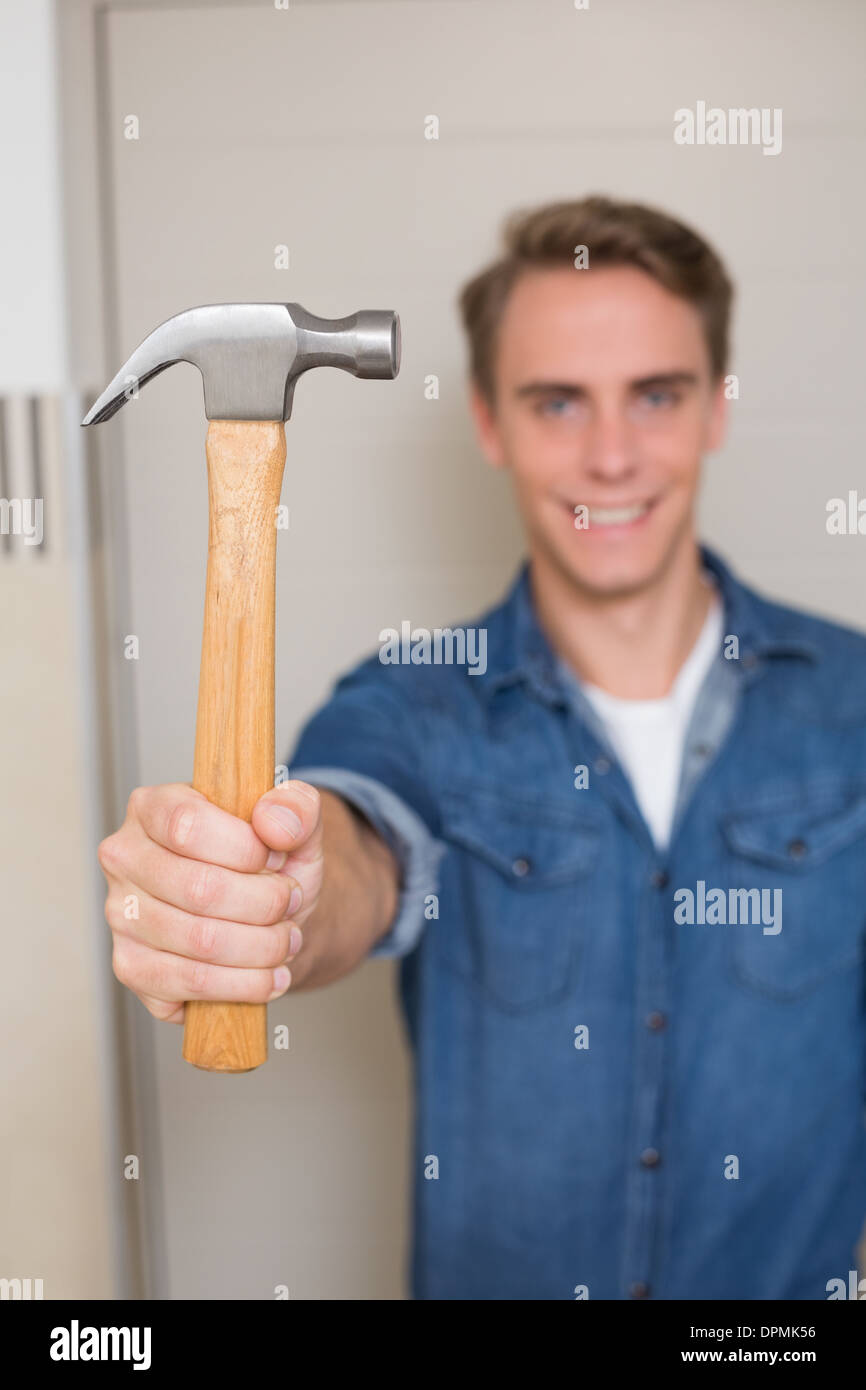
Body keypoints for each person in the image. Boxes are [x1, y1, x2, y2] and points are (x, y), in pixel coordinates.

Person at [98, 196, 866, 1300]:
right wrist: (270, 898)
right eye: (557, 401)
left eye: (654, 394)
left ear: (713, 411)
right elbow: (352, 850)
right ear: (489, 422)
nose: (609, 455)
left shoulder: (852, 704)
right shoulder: (412, 704)